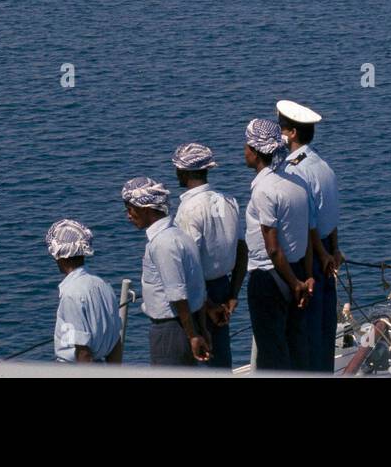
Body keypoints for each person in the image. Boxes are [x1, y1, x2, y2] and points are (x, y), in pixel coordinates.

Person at [243, 118, 317, 371]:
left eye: (247, 146)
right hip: (296, 271)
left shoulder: (263, 189)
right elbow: (306, 235)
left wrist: (294, 283)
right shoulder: (298, 184)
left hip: (269, 279)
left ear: (254, 152)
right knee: (296, 345)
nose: (244, 151)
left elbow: (272, 248)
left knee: (271, 353)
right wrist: (306, 278)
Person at [278, 100, 342, 373]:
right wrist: (334, 251)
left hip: (310, 254)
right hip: (328, 251)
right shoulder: (323, 166)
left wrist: (322, 254)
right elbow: (331, 214)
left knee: (305, 329)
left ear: (291, 133)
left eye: (281, 128)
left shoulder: (294, 169)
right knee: (325, 328)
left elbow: (308, 222)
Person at [172, 142, 246, 370]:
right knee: (222, 358)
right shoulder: (229, 201)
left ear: (183, 173)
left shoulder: (188, 209)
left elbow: (190, 263)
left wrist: (207, 304)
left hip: (201, 294)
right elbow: (242, 250)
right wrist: (233, 293)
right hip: (225, 287)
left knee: (201, 356)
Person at [121, 177, 210, 365]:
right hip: (189, 322)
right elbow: (197, 288)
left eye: (130, 209)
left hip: (170, 330)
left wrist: (193, 336)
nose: (128, 215)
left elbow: (177, 295)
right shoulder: (179, 235)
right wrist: (201, 328)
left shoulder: (162, 243)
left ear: (145, 209)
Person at [45, 219, 122, 364]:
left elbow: (83, 352)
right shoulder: (104, 285)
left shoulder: (71, 294)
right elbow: (115, 342)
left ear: (59, 255)